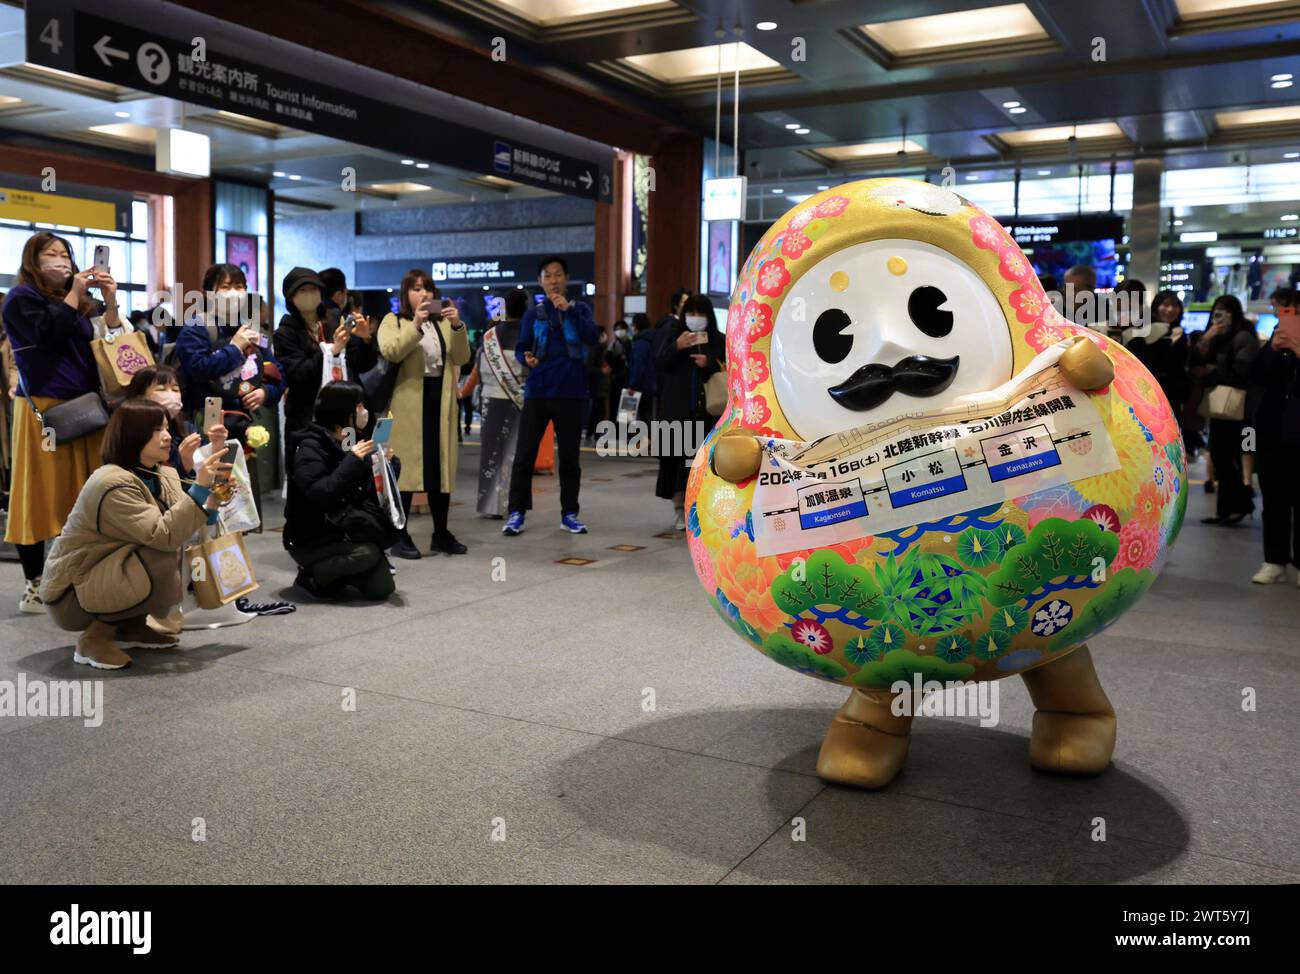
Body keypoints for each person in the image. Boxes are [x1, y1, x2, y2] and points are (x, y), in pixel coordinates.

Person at [38, 399, 229, 669]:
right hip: (71, 594)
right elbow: (163, 534)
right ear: (131, 435)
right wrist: (198, 488)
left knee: (165, 553)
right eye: (155, 430)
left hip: (107, 577)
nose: (166, 436)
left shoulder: (166, 474)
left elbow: (185, 526)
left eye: (165, 427)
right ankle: (94, 639)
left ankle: (132, 627)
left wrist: (213, 500)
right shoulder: (111, 481)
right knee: (160, 556)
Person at [2, 231, 127, 614]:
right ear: (33, 262)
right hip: (44, 409)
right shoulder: (21, 299)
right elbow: (50, 334)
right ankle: (35, 585)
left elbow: (115, 342)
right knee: (39, 494)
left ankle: (79, 575)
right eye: (50, 254)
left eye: (64, 254)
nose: (60, 260)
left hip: (87, 407)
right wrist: (74, 292)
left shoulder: (81, 302)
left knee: (84, 493)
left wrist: (107, 299)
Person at [377, 269, 471, 558]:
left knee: (438, 470)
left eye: (428, 288)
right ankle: (399, 535)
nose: (425, 294)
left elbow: (462, 358)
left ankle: (441, 533)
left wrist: (456, 326)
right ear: (406, 293)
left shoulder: (443, 323)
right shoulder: (393, 321)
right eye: (417, 289)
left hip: (439, 403)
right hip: (407, 404)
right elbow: (391, 350)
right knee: (405, 470)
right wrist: (416, 323)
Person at [503, 257, 599, 536]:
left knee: (570, 459)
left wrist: (568, 311)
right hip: (538, 391)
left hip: (572, 392)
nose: (554, 280)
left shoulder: (580, 309)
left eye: (558, 275)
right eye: (548, 275)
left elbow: (592, 337)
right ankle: (516, 513)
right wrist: (527, 358)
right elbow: (521, 348)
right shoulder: (534, 314)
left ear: (566, 279)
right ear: (541, 281)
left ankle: (569, 513)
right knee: (524, 456)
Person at [283, 381, 397, 601]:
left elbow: (368, 489)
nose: (365, 412)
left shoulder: (349, 438)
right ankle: (311, 576)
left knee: (381, 589)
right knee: (367, 554)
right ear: (342, 413)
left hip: (346, 526)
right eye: (359, 407)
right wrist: (353, 461)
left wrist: (385, 464)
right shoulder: (309, 447)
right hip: (313, 536)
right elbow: (320, 494)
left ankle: (338, 575)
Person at [176, 263, 283, 446]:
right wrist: (234, 348)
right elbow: (198, 369)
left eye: (239, 287)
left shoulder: (252, 329)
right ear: (209, 293)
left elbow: (277, 373)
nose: (234, 293)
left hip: (245, 423)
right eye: (225, 287)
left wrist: (265, 393)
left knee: (241, 475)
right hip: (205, 423)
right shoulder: (196, 328)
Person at [273, 267, 376, 445]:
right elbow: (298, 375)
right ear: (291, 297)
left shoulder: (336, 320)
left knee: (351, 466)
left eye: (314, 289)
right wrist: (330, 351)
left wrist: (366, 339)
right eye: (302, 290)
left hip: (346, 418)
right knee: (312, 468)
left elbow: (361, 364)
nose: (309, 295)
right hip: (307, 421)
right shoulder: (284, 333)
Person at [654, 295, 724, 530]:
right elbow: (659, 363)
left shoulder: (718, 339)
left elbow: (731, 365)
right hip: (677, 412)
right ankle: (679, 511)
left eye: (700, 313)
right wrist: (677, 346)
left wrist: (710, 362)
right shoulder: (674, 335)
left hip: (708, 414)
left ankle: (703, 510)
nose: (695, 318)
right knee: (676, 463)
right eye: (690, 313)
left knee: (701, 465)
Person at [459, 289, 529, 518]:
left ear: (505, 309)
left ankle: (490, 505)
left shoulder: (489, 336)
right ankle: (513, 504)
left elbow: (479, 369)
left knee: (490, 453)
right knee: (514, 454)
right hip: (518, 398)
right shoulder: (529, 335)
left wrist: (462, 392)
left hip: (491, 398)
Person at [1190, 294, 1259, 525]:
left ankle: (1240, 506)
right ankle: (1226, 510)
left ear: (1235, 313)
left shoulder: (1243, 337)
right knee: (1219, 457)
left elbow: (1242, 373)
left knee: (1231, 457)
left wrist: (1210, 371)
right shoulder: (1216, 338)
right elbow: (1196, 365)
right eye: (1217, 311)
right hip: (1220, 407)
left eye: (1225, 311)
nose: (1220, 315)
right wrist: (1207, 339)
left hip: (1239, 408)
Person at [1248, 288, 1300, 584]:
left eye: (1294, 311)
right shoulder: (1276, 340)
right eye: (1285, 311)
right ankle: (1274, 561)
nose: (1288, 317)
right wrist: (1272, 349)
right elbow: (1255, 376)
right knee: (1274, 501)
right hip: (1272, 433)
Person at [1125, 288, 1189, 422]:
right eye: (1165, 304)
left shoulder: (1181, 334)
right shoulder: (1143, 331)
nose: (1170, 309)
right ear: (1156, 307)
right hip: (1146, 390)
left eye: (1175, 305)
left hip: (1173, 394)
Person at [626, 312, 657, 427]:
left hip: (640, 387)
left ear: (637, 325)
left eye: (633, 325)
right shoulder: (651, 341)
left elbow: (638, 367)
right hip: (650, 386)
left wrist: (632, 385)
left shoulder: (640, 344)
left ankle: (641, 442)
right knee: (647, 416)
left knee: (637, 418)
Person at [584, 326, 612, 444]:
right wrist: (601, 371)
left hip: (598, 386)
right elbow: (589, 368)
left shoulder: (600, 349)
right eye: (604, 334)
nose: (606, 336)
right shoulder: (595, 349)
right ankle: (597, 436)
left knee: (597, 411)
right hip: (596, 386)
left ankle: (592, 433)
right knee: (600, 411)